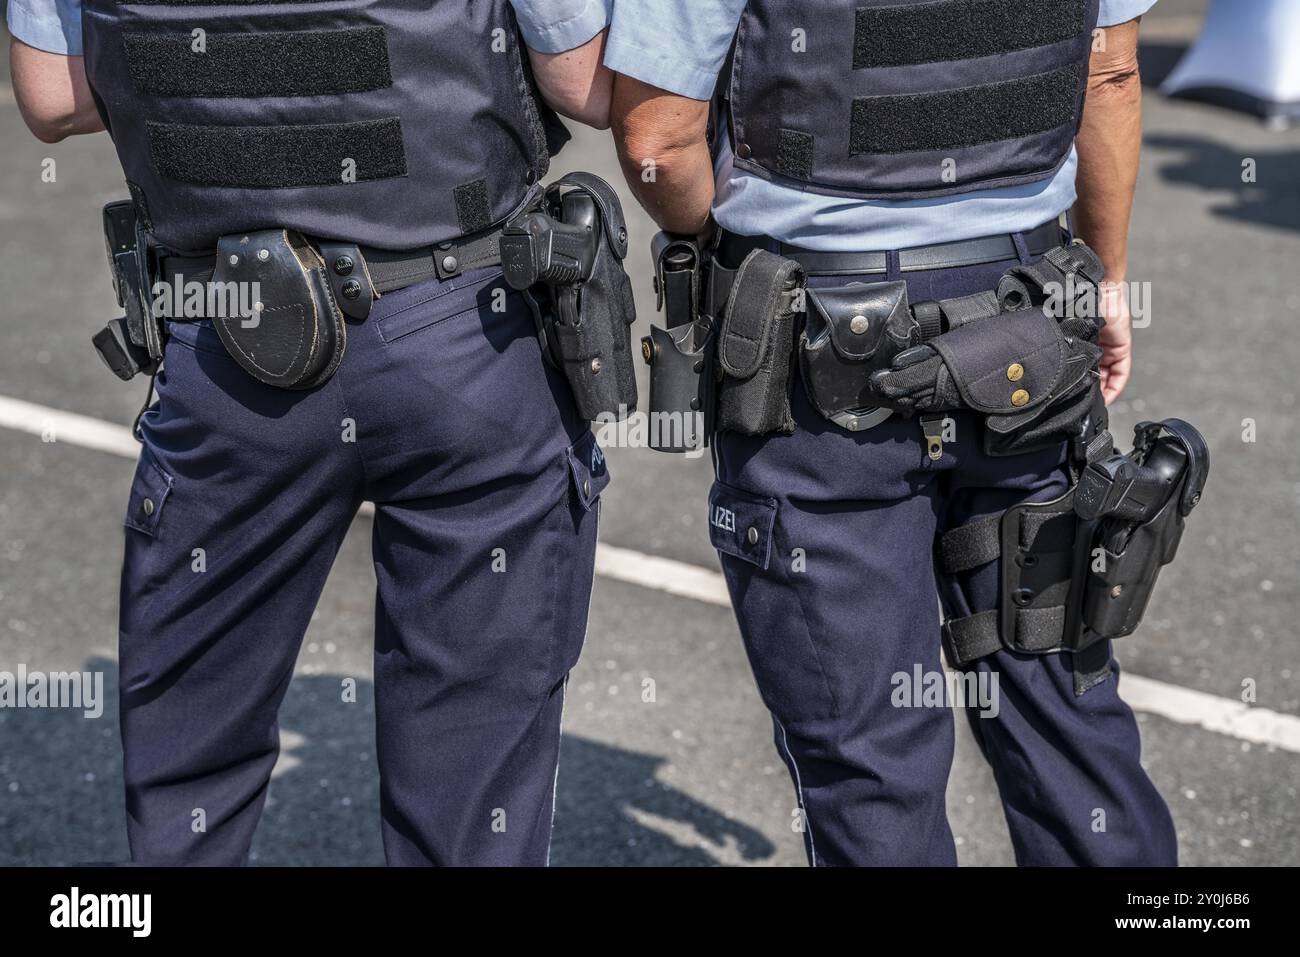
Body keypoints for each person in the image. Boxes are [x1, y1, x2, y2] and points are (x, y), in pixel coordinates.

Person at [10, 0, 618, 866]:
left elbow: (51, 97)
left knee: (192, 774)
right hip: (459, 331)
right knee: (471, 781)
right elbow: (585, 81)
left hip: (230, 344)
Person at [606, 0, 1182, 865]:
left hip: (819, 345)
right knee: (1062, 698)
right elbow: (1109, 74)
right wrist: (1109, 276)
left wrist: (730, 265)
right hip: (1027, 320)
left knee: (870, 757)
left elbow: (657, 140)